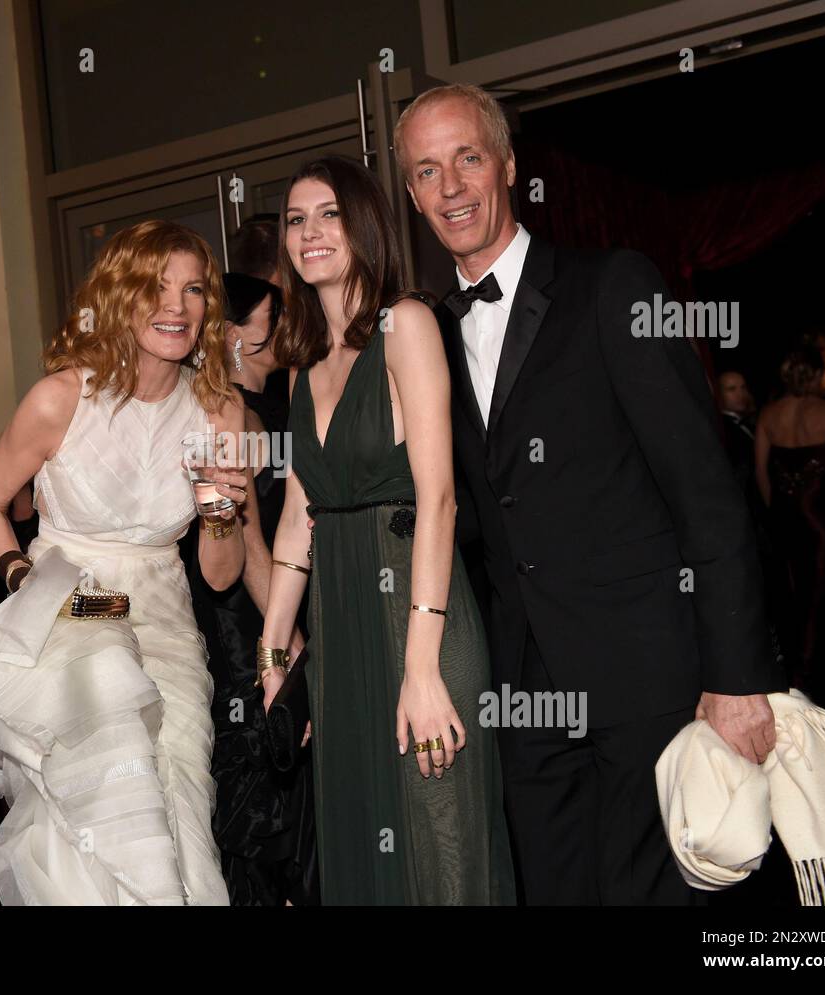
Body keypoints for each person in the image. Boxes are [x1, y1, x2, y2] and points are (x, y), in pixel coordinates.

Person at [399, 82, 784, 904]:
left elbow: (707, 492)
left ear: (506, 164)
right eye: (428, 171)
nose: (453, 187)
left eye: (468, 158)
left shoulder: (615, 285)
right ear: (411, 194)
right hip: (527, 700)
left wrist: (739, 673)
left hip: (648, 679)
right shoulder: (427, 331)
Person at [0, 220, 248, 906]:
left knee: (178, 813)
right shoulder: (61, 398)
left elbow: (223, 574)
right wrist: (26, 581)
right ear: (120, 295)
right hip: (72, 612)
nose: (176, 305)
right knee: (101, 816)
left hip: (164, 626)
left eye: (193, 289)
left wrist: (220, 508)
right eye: (155, 286)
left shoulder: (219, 410)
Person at [258, 155, 515, 905]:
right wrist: (275, 653)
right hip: (338, 640)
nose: (310, 233)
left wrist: (424, 666)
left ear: (365, 223)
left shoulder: (407, 324)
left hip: (420, 621)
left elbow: (439, 499)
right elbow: (295, 523)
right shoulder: (301, 367)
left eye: (329, 214)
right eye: (297, 220)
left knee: (442, 850)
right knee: (365, 843)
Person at [184, 270, 318, 905]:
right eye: (275, 315)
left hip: (255, 609)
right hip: (228, 623)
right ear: (234, 334)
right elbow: (236, 553)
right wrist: (284, 645)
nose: (289, 325)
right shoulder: (227, 412)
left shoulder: (270, 405)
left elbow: (258, 538)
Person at [755, 346, 825, 687]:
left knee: (790, 596)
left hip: (783, 520)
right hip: (820, 522)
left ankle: (794, 677)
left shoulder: (768, 414)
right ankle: (816, 677)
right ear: (814, 375)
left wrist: (776, 512)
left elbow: (761, 475)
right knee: (822, 597)